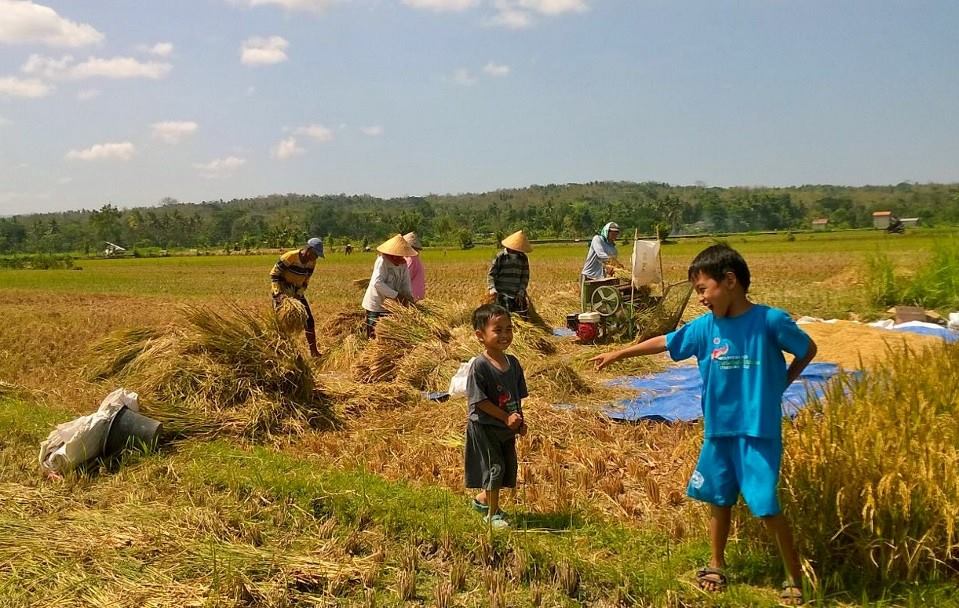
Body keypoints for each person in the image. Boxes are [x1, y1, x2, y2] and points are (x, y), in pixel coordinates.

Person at [589, 244, 817, 606]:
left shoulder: (769, 321)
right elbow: (666, 342)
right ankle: (716, 564)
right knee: (717, 498)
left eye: (702, 289)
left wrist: (783, 382)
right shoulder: (705, 328)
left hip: (758, 432)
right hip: (718, 431)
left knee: (764, 504)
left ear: (729, 281)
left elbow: (807, 349)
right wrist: (619, 353)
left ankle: (793, 577)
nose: (700, 299)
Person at [465, 303, 528, 529]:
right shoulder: (479, 366)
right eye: (498, 330)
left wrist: (519, 421)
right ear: (480, 335)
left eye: (508, 329)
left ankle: (483, 500)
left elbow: (517, 397)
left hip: (506, 427)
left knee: (506, 467)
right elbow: (479, 402)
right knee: (495, 467)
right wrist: (505, 418)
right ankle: (492, 515)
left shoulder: (513, 364)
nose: (504, 335)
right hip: (485, 427)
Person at [270, 237, 325, 357]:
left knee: (308, 320)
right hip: (282, 292)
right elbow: (274, 274)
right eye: (315, 254)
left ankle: (314, 352)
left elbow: (306, 281)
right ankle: (281, 352)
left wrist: (298, 294)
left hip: (296, 291)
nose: (316, 257)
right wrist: (278, 294)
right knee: (281, 323)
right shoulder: (290, 257)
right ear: (309, 249)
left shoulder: (312, 262)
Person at [361, 234, 417, 338]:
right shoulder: (382, 261)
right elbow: (377, 283)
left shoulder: (403, 264)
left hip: (391, 307)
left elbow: (405, 284)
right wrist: (396, 296)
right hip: (376, 305)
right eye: (399, 256)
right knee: (374, 336)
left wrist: (409, 299)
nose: (401, 258)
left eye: (403, 256)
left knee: (389, 336)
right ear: (393, 255)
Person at [487, 230, 532, 318]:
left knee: (523, 312)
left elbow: (525, 277)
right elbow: (491, 275)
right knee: (505, 314)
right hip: (502, 292)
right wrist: (492, 289)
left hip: (517, 293)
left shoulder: (523, 258)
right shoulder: (501, 257)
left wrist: (521, 291)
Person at [580, 222, 622, 310]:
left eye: (616, 233)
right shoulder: (597, 239)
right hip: (589, 276)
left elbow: (611, 265)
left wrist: (617, 268)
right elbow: (601, 255)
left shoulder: (613, 249)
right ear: (606, 232)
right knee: (587, 303)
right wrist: (613, 264)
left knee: (601, 304)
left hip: (602, 278)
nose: (614, 235)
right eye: (612, 232)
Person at [404, 232, 426, 302]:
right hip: (418, 295)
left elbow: (405, 279)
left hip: (412, 296)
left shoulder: (411, 259)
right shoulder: (415, 258)